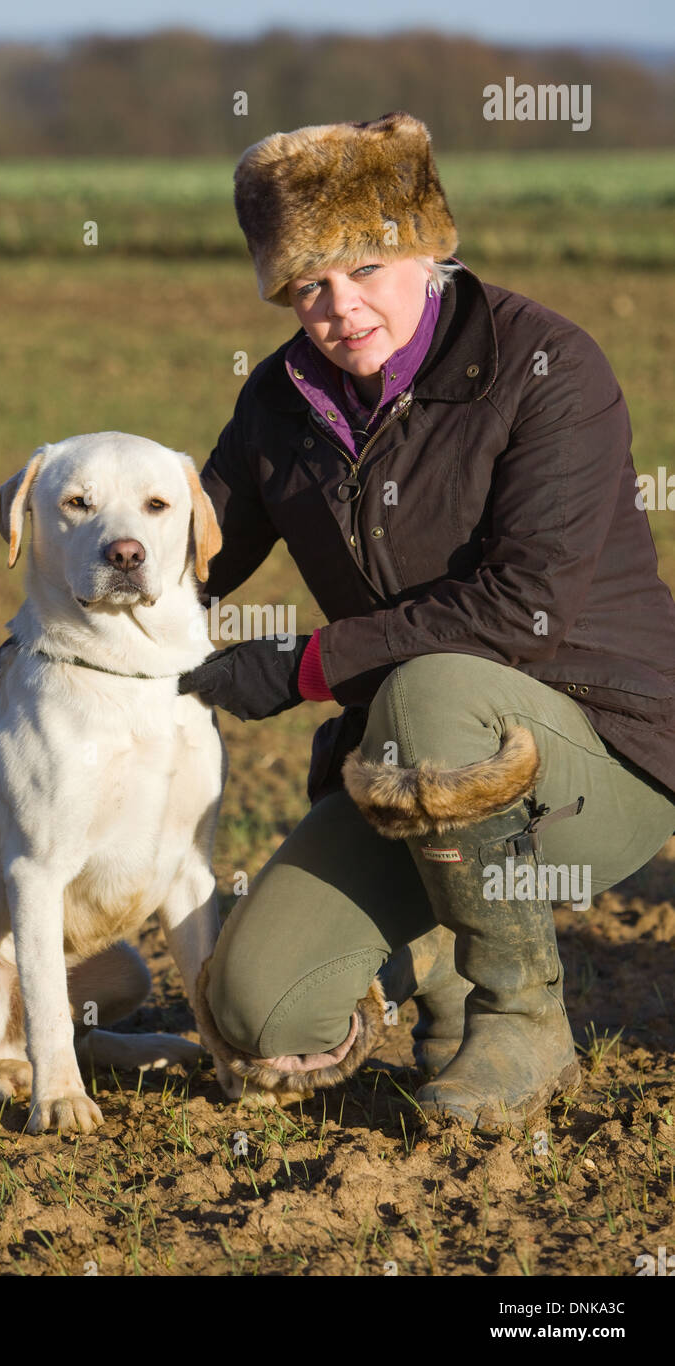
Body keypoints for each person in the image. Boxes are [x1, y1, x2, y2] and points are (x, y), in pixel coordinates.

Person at [178, 110, 675, 1129]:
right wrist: (46, 643)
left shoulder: (546, 368)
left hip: (602, 749)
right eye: (305, 285)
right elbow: (192, 553)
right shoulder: (279, 402)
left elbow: (520, 608)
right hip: (410, 764)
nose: (340, 306)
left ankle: (521, 1016)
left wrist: (307, 665)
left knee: (431, 682)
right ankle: (444, 962)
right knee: (254, 1005)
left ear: (421, 246)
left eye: (364, 264)